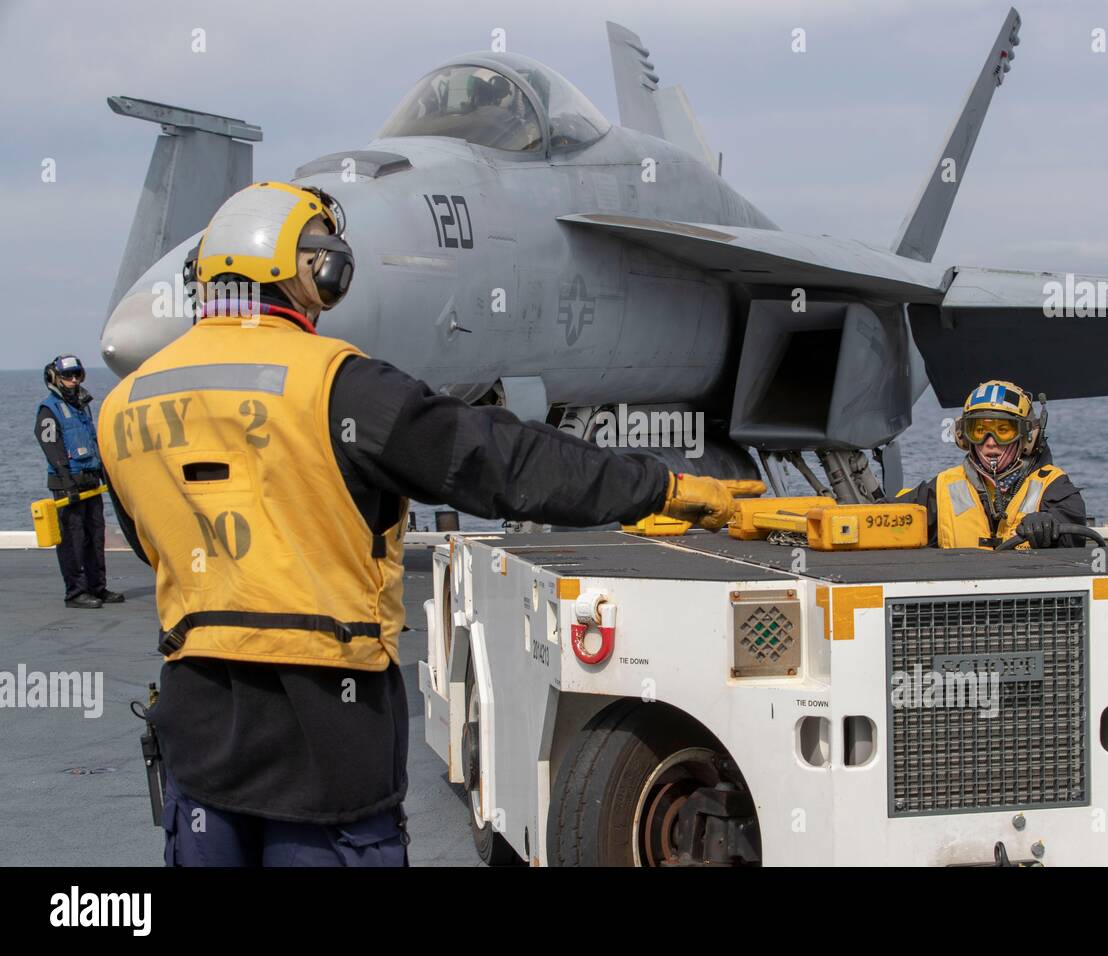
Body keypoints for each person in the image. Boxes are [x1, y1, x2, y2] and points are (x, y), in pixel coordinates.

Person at [97, 181, 759, 867]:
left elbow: (155, 543)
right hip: (326, 742)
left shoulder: (124, 406)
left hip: (198, 737)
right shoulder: (340, 386)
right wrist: (663, 487)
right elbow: (511, 464)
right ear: (311, 271)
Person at [893, 379, 1087, 549]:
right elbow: (889, 517)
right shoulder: (941, 489)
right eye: (979, 430)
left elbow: (1073, 529)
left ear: (1027, 437)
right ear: (963, 437)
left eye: (1003, 430)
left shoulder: (1053, 486)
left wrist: (1049, 526)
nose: (990, 441)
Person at [34, 355, 124, 609]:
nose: (73, 380)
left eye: (77, 375)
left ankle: (97, 586)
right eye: (67, 376)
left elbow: (93, 442)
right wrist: (66, 481)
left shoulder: (82, 407)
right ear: (55, 378)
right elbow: (51, 446)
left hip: (90, 481)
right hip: (67, 485)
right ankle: (75, 593)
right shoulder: (49, 409)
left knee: (95, 536)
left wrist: (104, 473)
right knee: (72, 539)